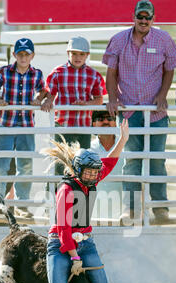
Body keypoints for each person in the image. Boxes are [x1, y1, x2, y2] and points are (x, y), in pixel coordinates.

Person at [42, 119, 129, 283]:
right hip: (60, 246)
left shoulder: (92, 179)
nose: (94, 175)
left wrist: (121, 139)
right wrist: (73, 256)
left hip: (86, 244)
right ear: (77, 170)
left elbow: (109, 163)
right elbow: (62, 228)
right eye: (89, 172)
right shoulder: (66, 190)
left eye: (95, 172)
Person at [102, 0, 176, 224]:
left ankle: (159, 208)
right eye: (140, 17)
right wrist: (113, 98)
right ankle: (131, 209)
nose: (144, 21)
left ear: (153, 19)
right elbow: (111, 72)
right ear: (134, 17)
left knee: (156, 160)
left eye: (148, 17)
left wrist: (163, 95)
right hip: (129, 110)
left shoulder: (163, 39)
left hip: (156, 112)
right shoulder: (118, 40)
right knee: (132, 161)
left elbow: (169, 70)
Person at [0, 38, 50, 218]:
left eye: (27, 54)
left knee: (25, 165)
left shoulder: (36, 74)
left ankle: (22, 204)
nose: (23, 57)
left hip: (26, 124)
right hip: (6, 123)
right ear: (14, 55)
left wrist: (38, 99)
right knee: (0, 163)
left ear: (32, 55)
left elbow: (44, 90)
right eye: (20, 54)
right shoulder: (4, 72)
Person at [42, 36, 106, 178]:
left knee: (82, 165)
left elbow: (99, 99)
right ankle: (56, 195)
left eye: (82, 54)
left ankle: (76, 196)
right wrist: (48, 101)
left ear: (87, 55)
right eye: (74, 54)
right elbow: (50, 94)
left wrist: (86, 104)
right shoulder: (58, 73)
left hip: (83, 126)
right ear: (68, 54)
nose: (78, 57)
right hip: (63, 125)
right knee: (60, 163)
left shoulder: (94, 75)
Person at [90, 110, 123, 220]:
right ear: (93, 124)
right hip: (94, 210)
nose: (105, 122)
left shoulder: (125, 146)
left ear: (115, 123)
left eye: (110, 119)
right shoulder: (88, 148)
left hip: (121, 210)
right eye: (100, 119)